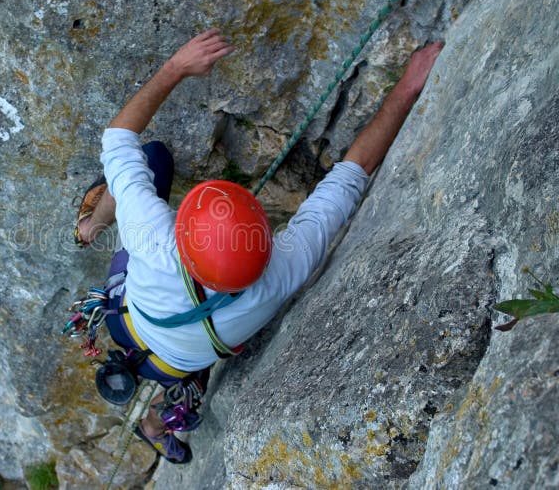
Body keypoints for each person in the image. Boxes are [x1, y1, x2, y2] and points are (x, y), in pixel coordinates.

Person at [74, 29, 443, 463]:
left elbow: (118, 137)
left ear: (184, 234)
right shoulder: (282, 272)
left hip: (126, 322)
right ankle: (157, 418)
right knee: (194, 347)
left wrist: (177, 67)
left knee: (153, 156)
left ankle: (88, 228)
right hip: (181, 363)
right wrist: (409, 86)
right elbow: (353, 172)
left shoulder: (155, 240)